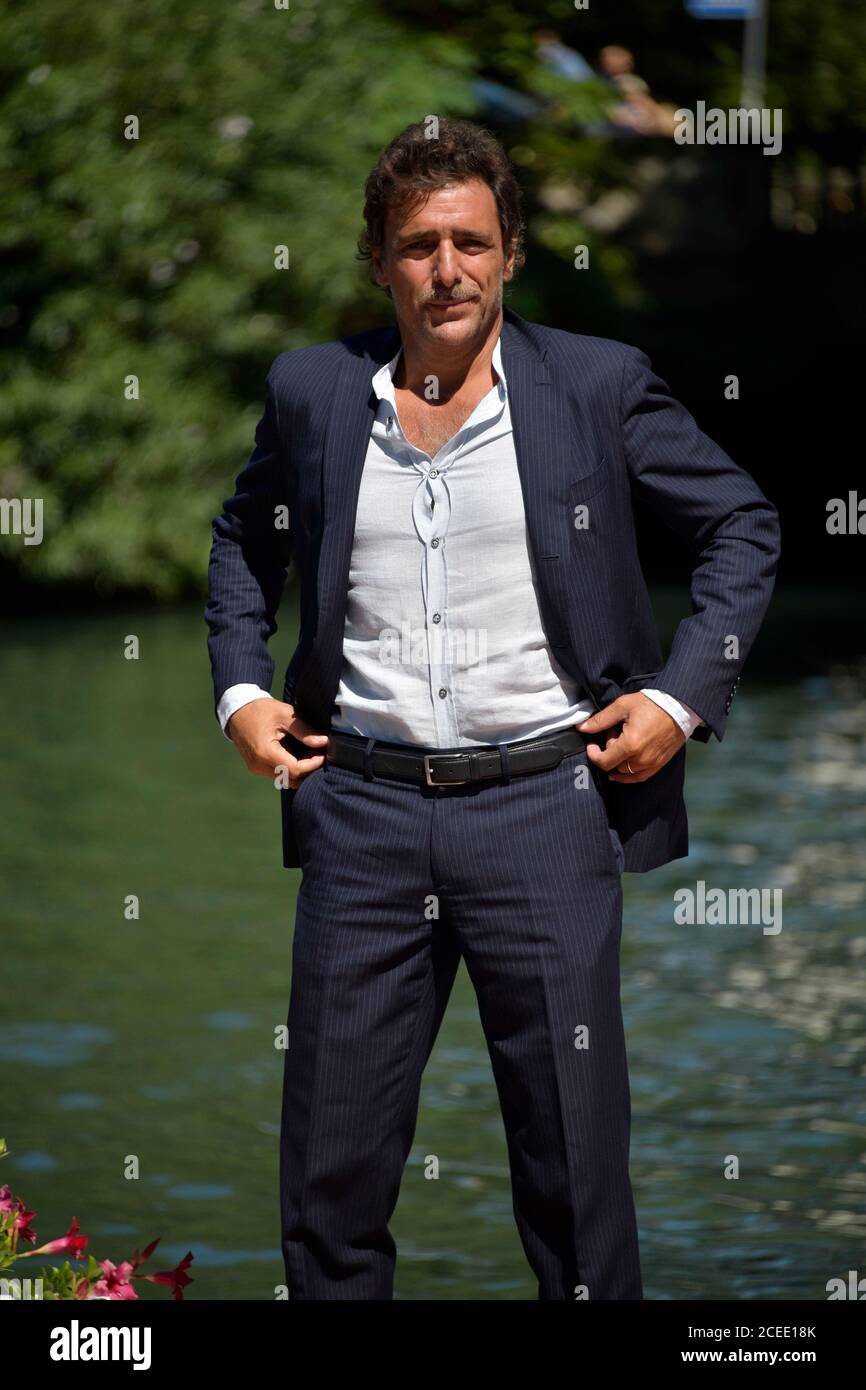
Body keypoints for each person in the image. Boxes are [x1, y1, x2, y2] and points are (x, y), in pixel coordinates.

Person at [204, 118, 781, 1300]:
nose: (447, 268)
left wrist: (678, 697)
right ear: (379, 260)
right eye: (418, 245)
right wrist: (240, 690)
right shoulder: (314, 393)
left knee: (573, 1188)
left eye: (471, 241)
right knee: (328, 1188)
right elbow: (239, 539)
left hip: (544, 812)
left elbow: (741, 523)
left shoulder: (596, 387)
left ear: (510, 252)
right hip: (358, 814)